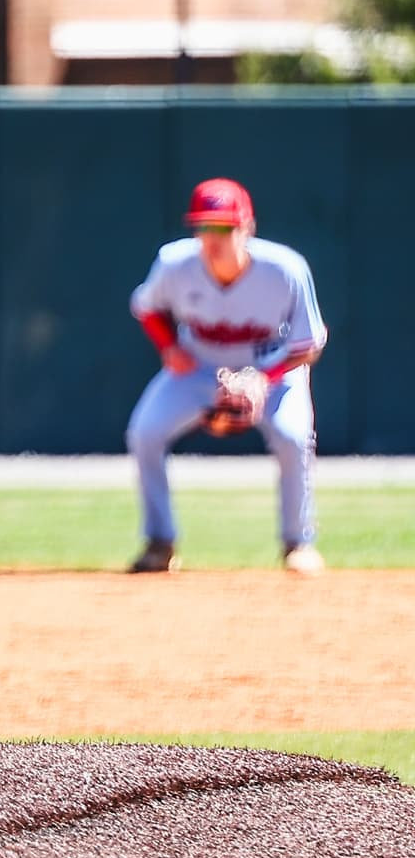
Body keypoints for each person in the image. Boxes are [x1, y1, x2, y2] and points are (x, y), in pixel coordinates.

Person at [125, 178, 330, 576]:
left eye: (223, 227)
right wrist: (169, 346)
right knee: (144, 432)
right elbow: (145, 306)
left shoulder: (285, 269)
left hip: (273, 369)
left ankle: (298, 543)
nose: (212, 237)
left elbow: (309, 345)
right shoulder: (175, 263)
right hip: (200, 366)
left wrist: (262, 378)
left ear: (246, 227)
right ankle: (159, 542)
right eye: (204, 227)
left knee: (293, 437)